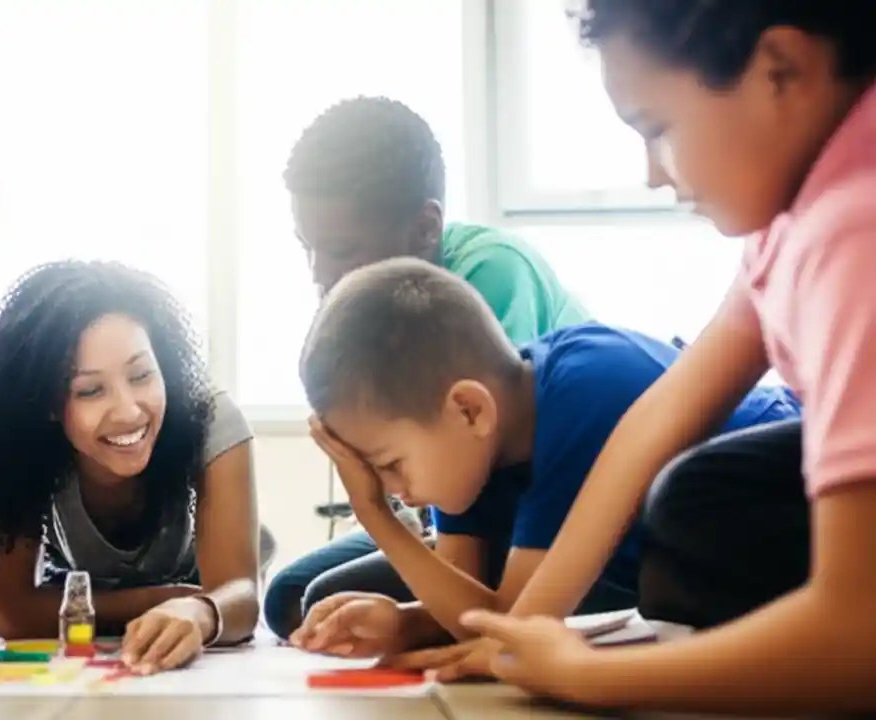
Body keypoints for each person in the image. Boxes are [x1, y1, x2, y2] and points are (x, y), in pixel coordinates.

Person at [450, 1, 876, 715]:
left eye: (659, 129)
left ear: (783, 70)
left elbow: (863, 630)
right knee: (698, 498)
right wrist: (524, 632)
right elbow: (664, 416)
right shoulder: (797, 212)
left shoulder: (853, 226)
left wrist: (582, 675)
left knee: (701, 517)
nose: (652, 173)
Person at [287, 258, 800, 681]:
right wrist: (406, 623)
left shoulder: (583, 389)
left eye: (391, 465)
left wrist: (374, 514)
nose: (396, 490)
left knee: (624, 595)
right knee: (305, 595)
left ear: (470, 409)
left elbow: (512, 624)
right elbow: (475, 617)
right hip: (639, 563)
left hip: (773, 494)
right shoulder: (470, 448)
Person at [264, 95, 592, 638]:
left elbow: (476, 464)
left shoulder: (492, 272)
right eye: (309, 249)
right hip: (443, 501)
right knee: (294, 597)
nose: (320, 274)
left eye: (342, 250)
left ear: (425, 229)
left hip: (523, 509)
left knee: (342, 601)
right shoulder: (369, 303)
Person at [0, 261, 264, 675]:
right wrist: (164, 600)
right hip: (67, 580)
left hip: (170, 578)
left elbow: (241, 598)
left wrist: (200, 611)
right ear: (46, 403)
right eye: (89, 390)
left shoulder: (211, 417)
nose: (127, 411)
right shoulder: (10, 437)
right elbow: (11, 617)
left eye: (142, 374)